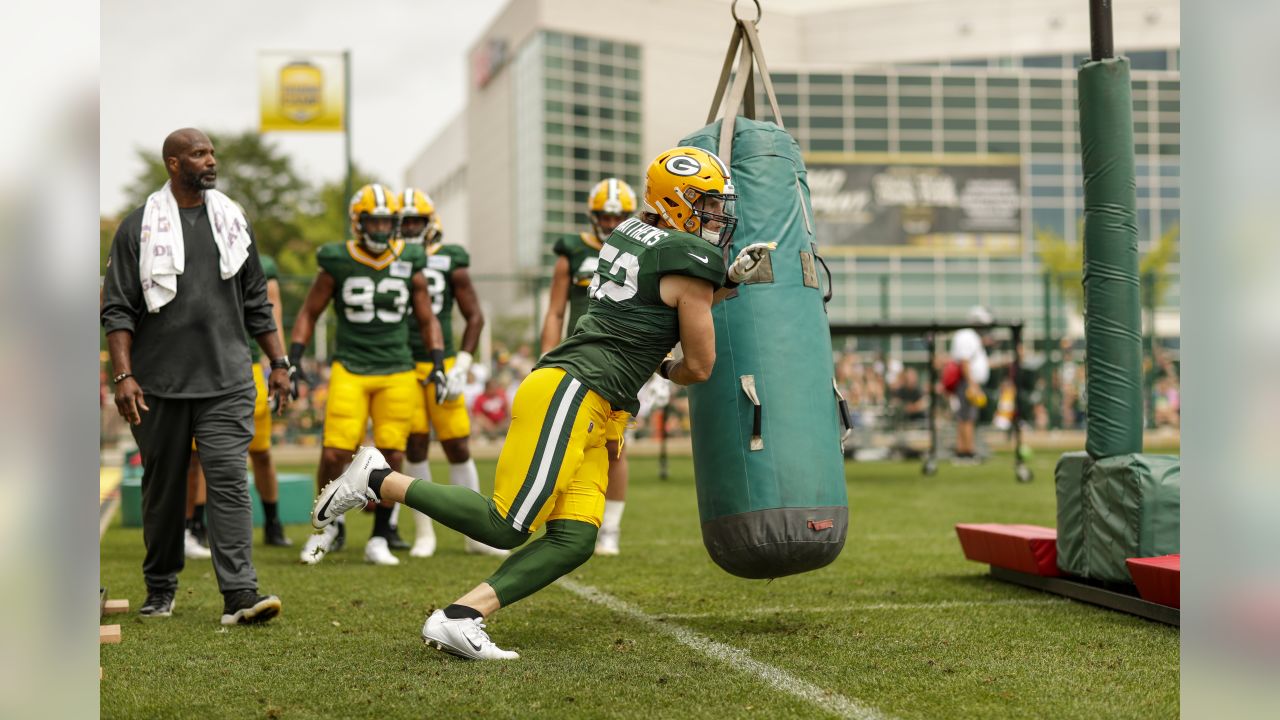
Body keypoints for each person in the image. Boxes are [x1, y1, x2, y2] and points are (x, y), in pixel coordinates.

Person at [311, 146, 774, 659]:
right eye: (707, 205)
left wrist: (723, 284)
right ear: (675, 200)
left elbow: (660, 295)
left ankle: (461, 616)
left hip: (598, 402)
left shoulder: (628, 234)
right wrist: (670, 362)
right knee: (504, 525)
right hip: (576, 389)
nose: (716, 216)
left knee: (574, 539)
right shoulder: (690, 259)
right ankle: (376, 478)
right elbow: (700, 366)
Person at [101, 128, 290, 624]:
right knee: (163, 490)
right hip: (157, 384)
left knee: (228, 478)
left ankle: (240, 594)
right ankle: (160, 585)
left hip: (227, 380)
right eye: (199, 154)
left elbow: (257, 303)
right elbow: (117, 308)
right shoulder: (137, 228)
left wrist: (279, 362)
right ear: (173, 163)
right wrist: (123, 376)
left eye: (211, 152)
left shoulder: (233, 222)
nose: (211, 161)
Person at [288, 183, 447, 566]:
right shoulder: (338, 259)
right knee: (334, 451)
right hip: (351, 366)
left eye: (386, 221)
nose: (380, 228)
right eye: (373, 221)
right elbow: (310, 311)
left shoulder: (410, 257)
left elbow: (427, 317)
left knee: (393, 452)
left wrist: (439, 361)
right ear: (358, 223)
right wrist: (294, 358)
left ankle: (380, 536)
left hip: (397, 368)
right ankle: (327, 528)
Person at [394, 188, 505, 558]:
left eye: (415, 221)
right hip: (402, 363)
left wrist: (463, 362)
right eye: (403, 221)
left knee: (457, 444)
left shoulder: (448, 258)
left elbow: (474, 315)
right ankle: (425, 532)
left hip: (442, 363)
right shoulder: (387, 258)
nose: (409, 228)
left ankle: (475, 533)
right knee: (415, 444)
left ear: (430, 224)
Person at [540, 177, 638, 555]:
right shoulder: (573, 250)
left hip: (622, 359)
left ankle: (610, 527)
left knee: (615, 446)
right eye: (604, 215)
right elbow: (555, 310)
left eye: (617, 215)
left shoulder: (642, 248)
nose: (611, 222)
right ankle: (556, 517)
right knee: (564, 439)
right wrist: (546, 356)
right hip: (576, 355)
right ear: (592, 216)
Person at [951, 306, 993, 463]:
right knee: (966, 417)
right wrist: (972, 385)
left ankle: (965, 450)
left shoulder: (972, 337)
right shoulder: (967, 336)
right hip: (967, 383)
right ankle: (966, 451)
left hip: (970, 383)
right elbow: (965, 362)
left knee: (967, 417)